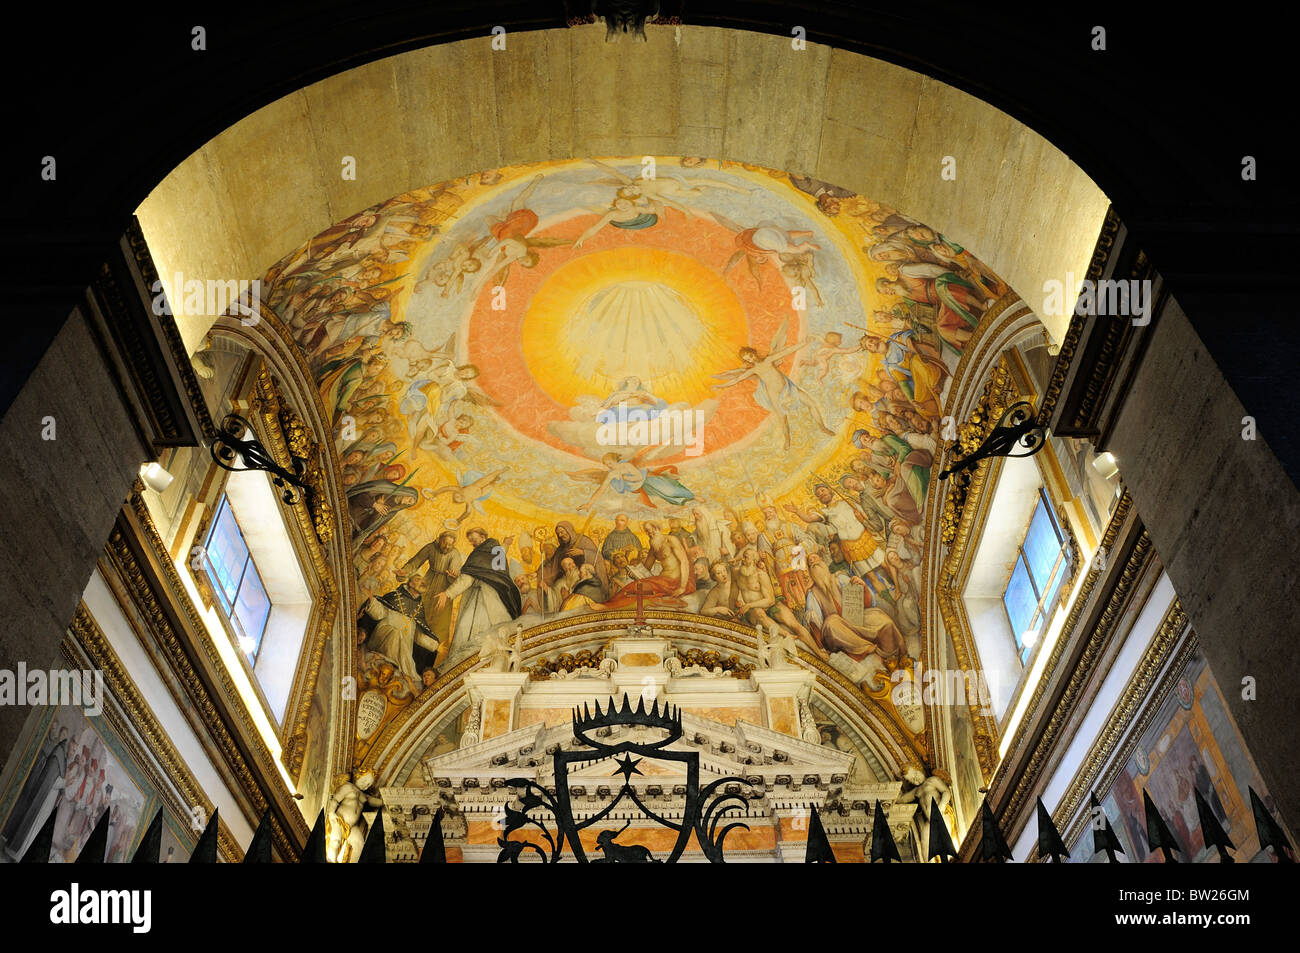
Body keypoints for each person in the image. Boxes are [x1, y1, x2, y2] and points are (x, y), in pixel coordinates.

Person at [434, 528, 523, 663]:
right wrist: (506, 544)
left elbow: (468, 578)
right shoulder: (494, 550)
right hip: (495, 598)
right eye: (470, 541)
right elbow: (494, 564)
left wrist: (447, 593)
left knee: (472, 630)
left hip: (483, 600)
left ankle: (470, 662)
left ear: (482, 537)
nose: (472, 542)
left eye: (473, 539)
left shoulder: (480, 554)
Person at [395, 531, 464, 664]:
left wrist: (452, 576)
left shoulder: (455, 554)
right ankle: (406, 654)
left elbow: (455, 577)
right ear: (440, 539)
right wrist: (405, 571)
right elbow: (415, 561)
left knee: (439, 625)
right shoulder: (430, 548)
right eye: (445, 542)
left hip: (444, 591)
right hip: (427, 584)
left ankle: (431, 662)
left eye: (450, 544)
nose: (447, 546)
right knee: (419, 616)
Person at [362, 574, 441, 682]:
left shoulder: (419, 608)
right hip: (385, 636)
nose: (422, 582)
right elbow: (379, 613)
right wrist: (372, 599)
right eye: (418, 579)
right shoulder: (394, 596)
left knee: (404, 670)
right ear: (411, 583)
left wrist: (434, 646)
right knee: (395, 634)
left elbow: (417, 635)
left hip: (404, 646)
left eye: (423, 580)